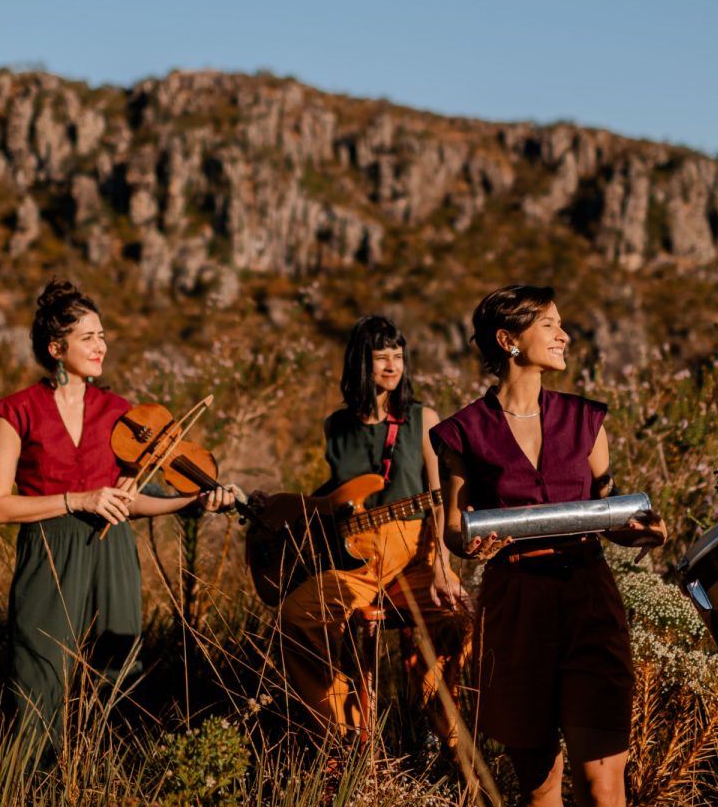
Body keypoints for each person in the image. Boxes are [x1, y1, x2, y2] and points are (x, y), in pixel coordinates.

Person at [431, 285, 665, 807]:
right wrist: (474, 549)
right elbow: (454, 528)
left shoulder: (587, 421)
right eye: (550, 324)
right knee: (540, 788)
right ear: (508, 340)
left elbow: (609, 511)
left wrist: (644, 529)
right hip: (514, 609)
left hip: (589, 600)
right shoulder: (462, 433)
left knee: (604, 786)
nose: (564, 335)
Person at [0, 280, 237, 753]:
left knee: (119, 677)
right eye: (88, 337)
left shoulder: (121, 413)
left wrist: (192, 501)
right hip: (49, 552)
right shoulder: (15, 411)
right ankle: (32, 787)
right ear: (56, 348)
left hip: (113, 549)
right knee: (39, 674)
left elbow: (130, 498)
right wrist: (77, 500)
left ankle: (108, 780)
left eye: (103, 335)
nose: (101, 346)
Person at [276, 315, 472, 746]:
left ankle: (439, 730)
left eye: (397, 356)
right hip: (356, 561)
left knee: (455, 611)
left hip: (416, 556)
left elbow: (439, 498)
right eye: (380, 356)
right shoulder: (336, 427)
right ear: (359, 362)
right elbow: (336, 495)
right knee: (297, 615)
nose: (391, 365)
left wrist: (442, 565)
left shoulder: (421, 419)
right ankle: (341, 731)